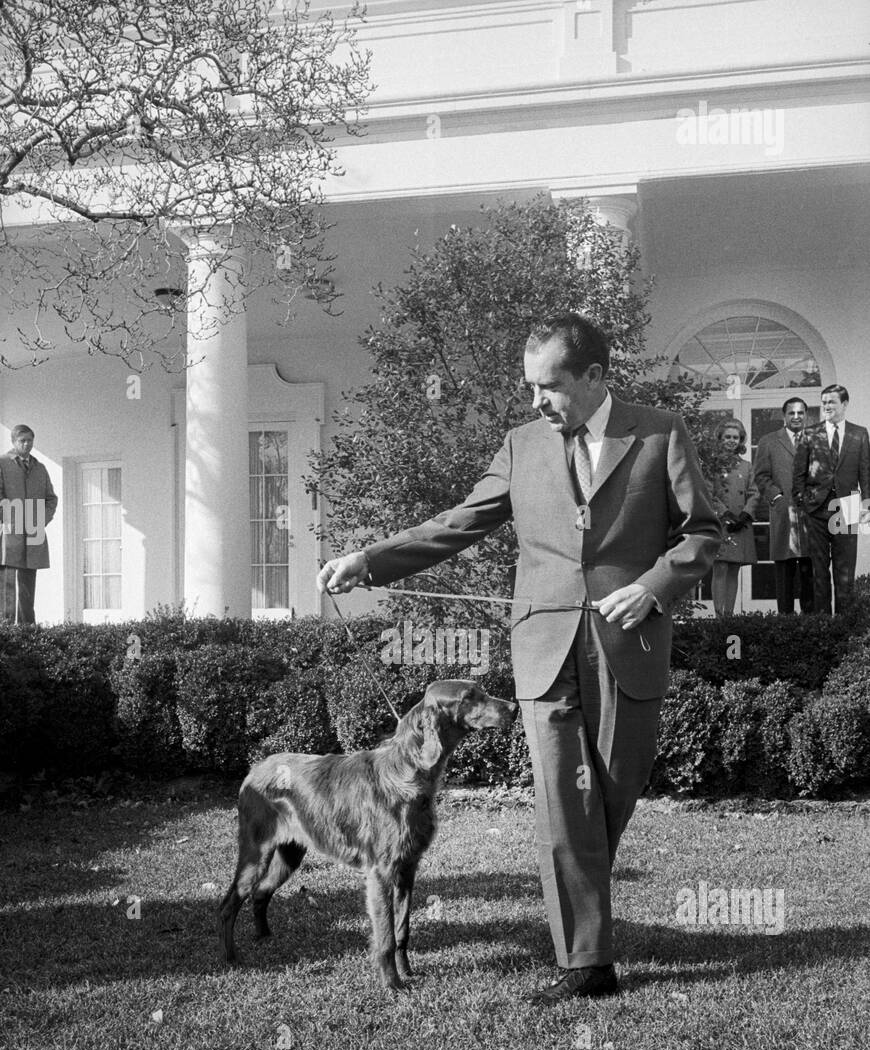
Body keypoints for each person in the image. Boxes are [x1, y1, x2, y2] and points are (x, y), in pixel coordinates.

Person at [317, 312, 722, 1005]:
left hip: (630, 645)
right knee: (563, 802)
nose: (536, 401)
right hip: (542, 651)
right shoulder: (521, 444)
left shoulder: (659, 432)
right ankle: (587, 962)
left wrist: (654, 587)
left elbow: (704, 533)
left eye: (550, 386)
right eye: (531, 386)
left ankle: (581, 907)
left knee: (615, 789)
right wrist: (368, 559)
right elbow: (458, 523)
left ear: (594, 377)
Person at [792, 385, 870, 614]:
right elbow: (799, 474)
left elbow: (865, 472)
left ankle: (844, 628)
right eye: (824, 402)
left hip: (847, 507)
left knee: (845, 571)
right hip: (816, 508)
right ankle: (822, 624)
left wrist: (867, 505)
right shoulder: (810, 433)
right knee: (819, 570)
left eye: (832, 402)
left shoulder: (859, 433)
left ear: (844, 404)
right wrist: (803, 504)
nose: (826, 406)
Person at [752, 398, 815, 614]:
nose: (796, 417)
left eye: (800, 413)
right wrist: (776, 497)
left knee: (810, 571)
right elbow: (760, 475)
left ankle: (813, 623)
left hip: (811, 515)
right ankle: (785, 624)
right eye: (791, 413)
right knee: (785, 570)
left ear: (806, 415)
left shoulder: (817, 440)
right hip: (783, 513)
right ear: (784, 416)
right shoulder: (768, 441)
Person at [0, 425, 58, 625]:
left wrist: (41, 521)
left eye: (30, 440)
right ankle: (5, 630)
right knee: (7, 587)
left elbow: (51, 499)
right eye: (22, 440)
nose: (27, 444)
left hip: (33, 532)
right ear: (13, 442)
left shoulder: (40, 468)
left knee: (28, 585)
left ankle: (27, 630)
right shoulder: (2, 463)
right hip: (10, 530)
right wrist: (9, 518)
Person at [709, 418, 758, 618]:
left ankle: (729, 616)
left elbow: (755, 492)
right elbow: (707, 492)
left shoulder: (746, 466)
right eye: (727, 437)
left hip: (741, 524)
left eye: (735, 437)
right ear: (720, 439)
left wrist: (746, 514)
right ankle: (719, 614)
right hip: (721, 523)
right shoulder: (711, 464)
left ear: (741, 441)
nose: (731, 441)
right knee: (720, 568)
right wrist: (725, 514)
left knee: (734, 569)